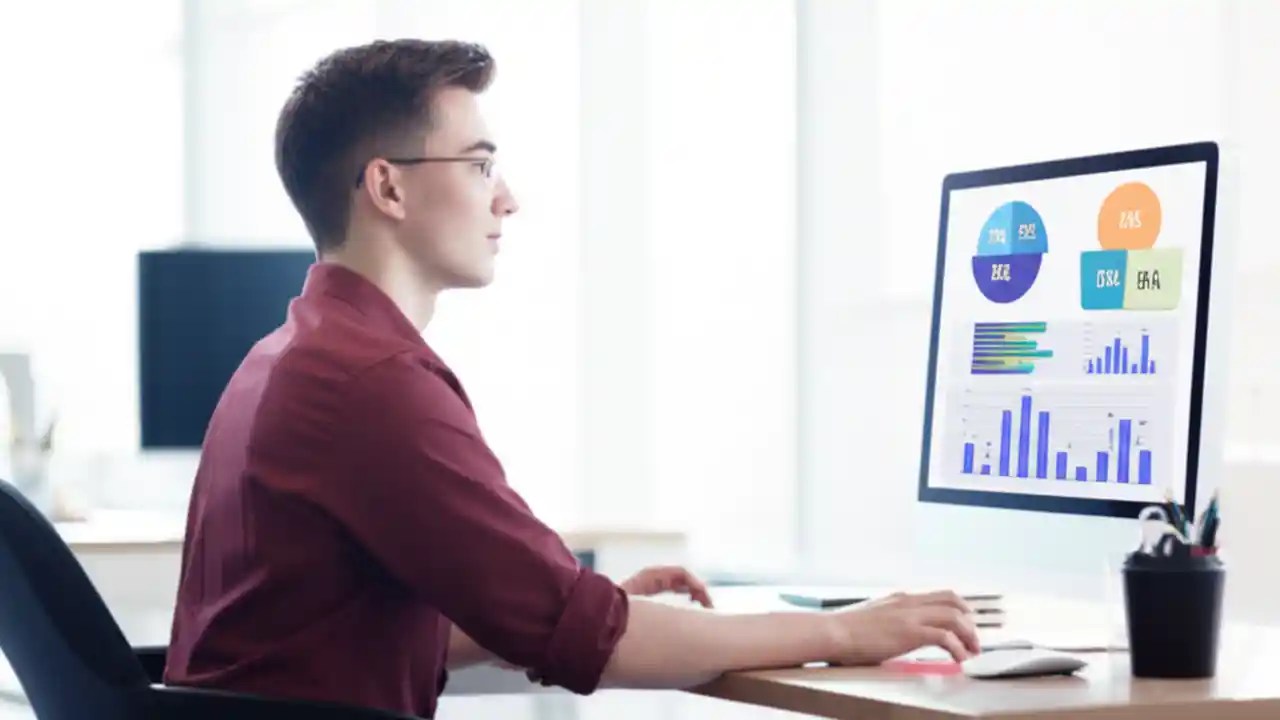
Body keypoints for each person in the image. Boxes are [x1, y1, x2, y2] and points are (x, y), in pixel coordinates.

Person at [163, 38, 979, 719]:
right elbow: (595, 643)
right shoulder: (370, 382)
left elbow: (345, 633)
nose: (507, 199)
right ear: (388, 186)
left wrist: (566, 602)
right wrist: (847, 632)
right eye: (480, 165)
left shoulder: (291, 357)